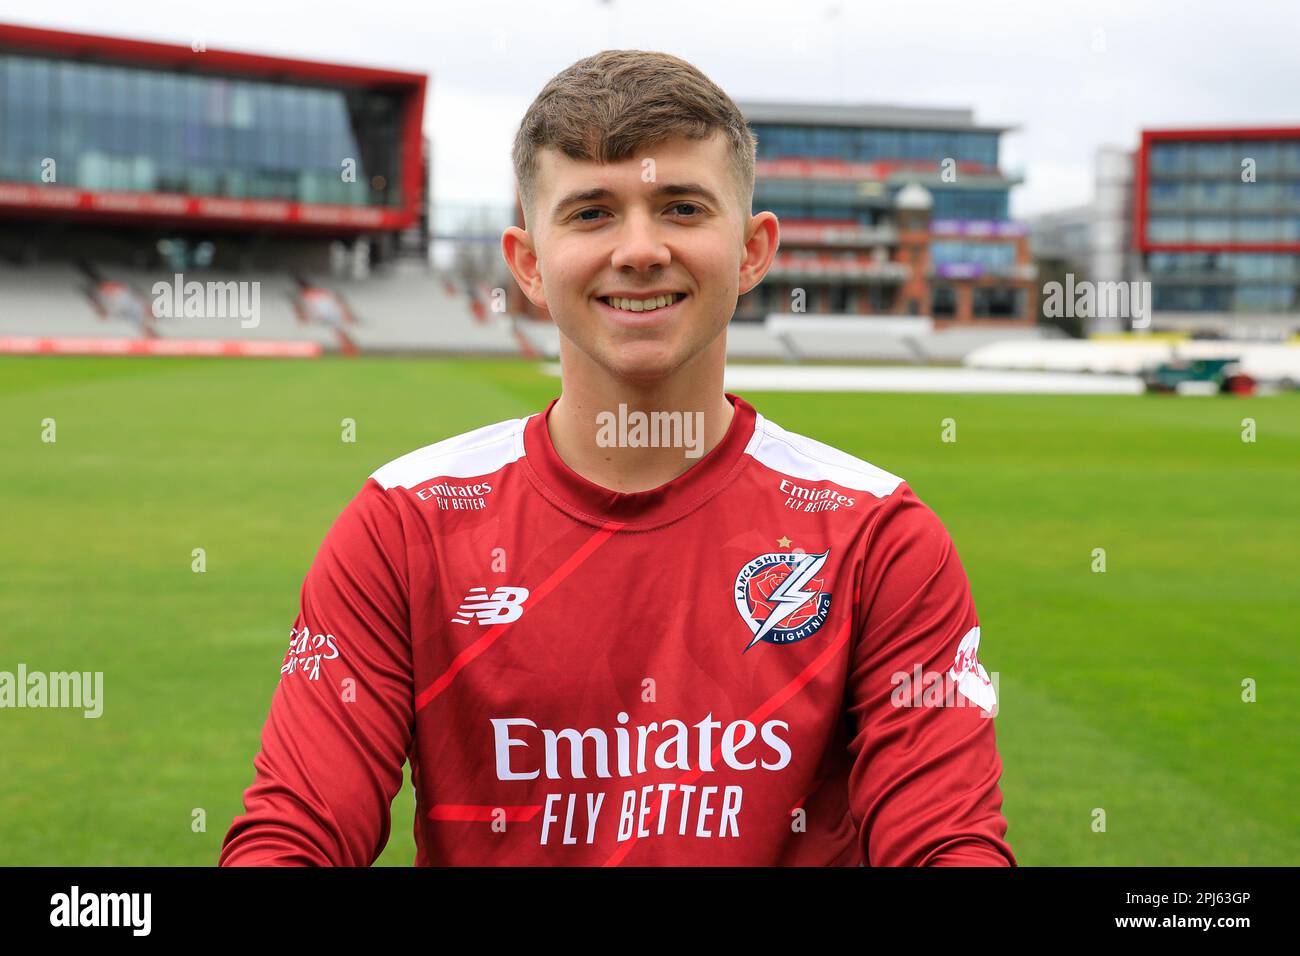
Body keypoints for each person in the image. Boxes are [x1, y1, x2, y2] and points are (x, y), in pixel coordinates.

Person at [219, 49, 1015, 866]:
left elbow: (947, 845)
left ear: (752, 250)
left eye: (680, 208)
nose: (640, 250)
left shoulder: (877, 536)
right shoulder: (402, 525)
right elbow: (295, 836)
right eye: (592, 212)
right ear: (528, 263)